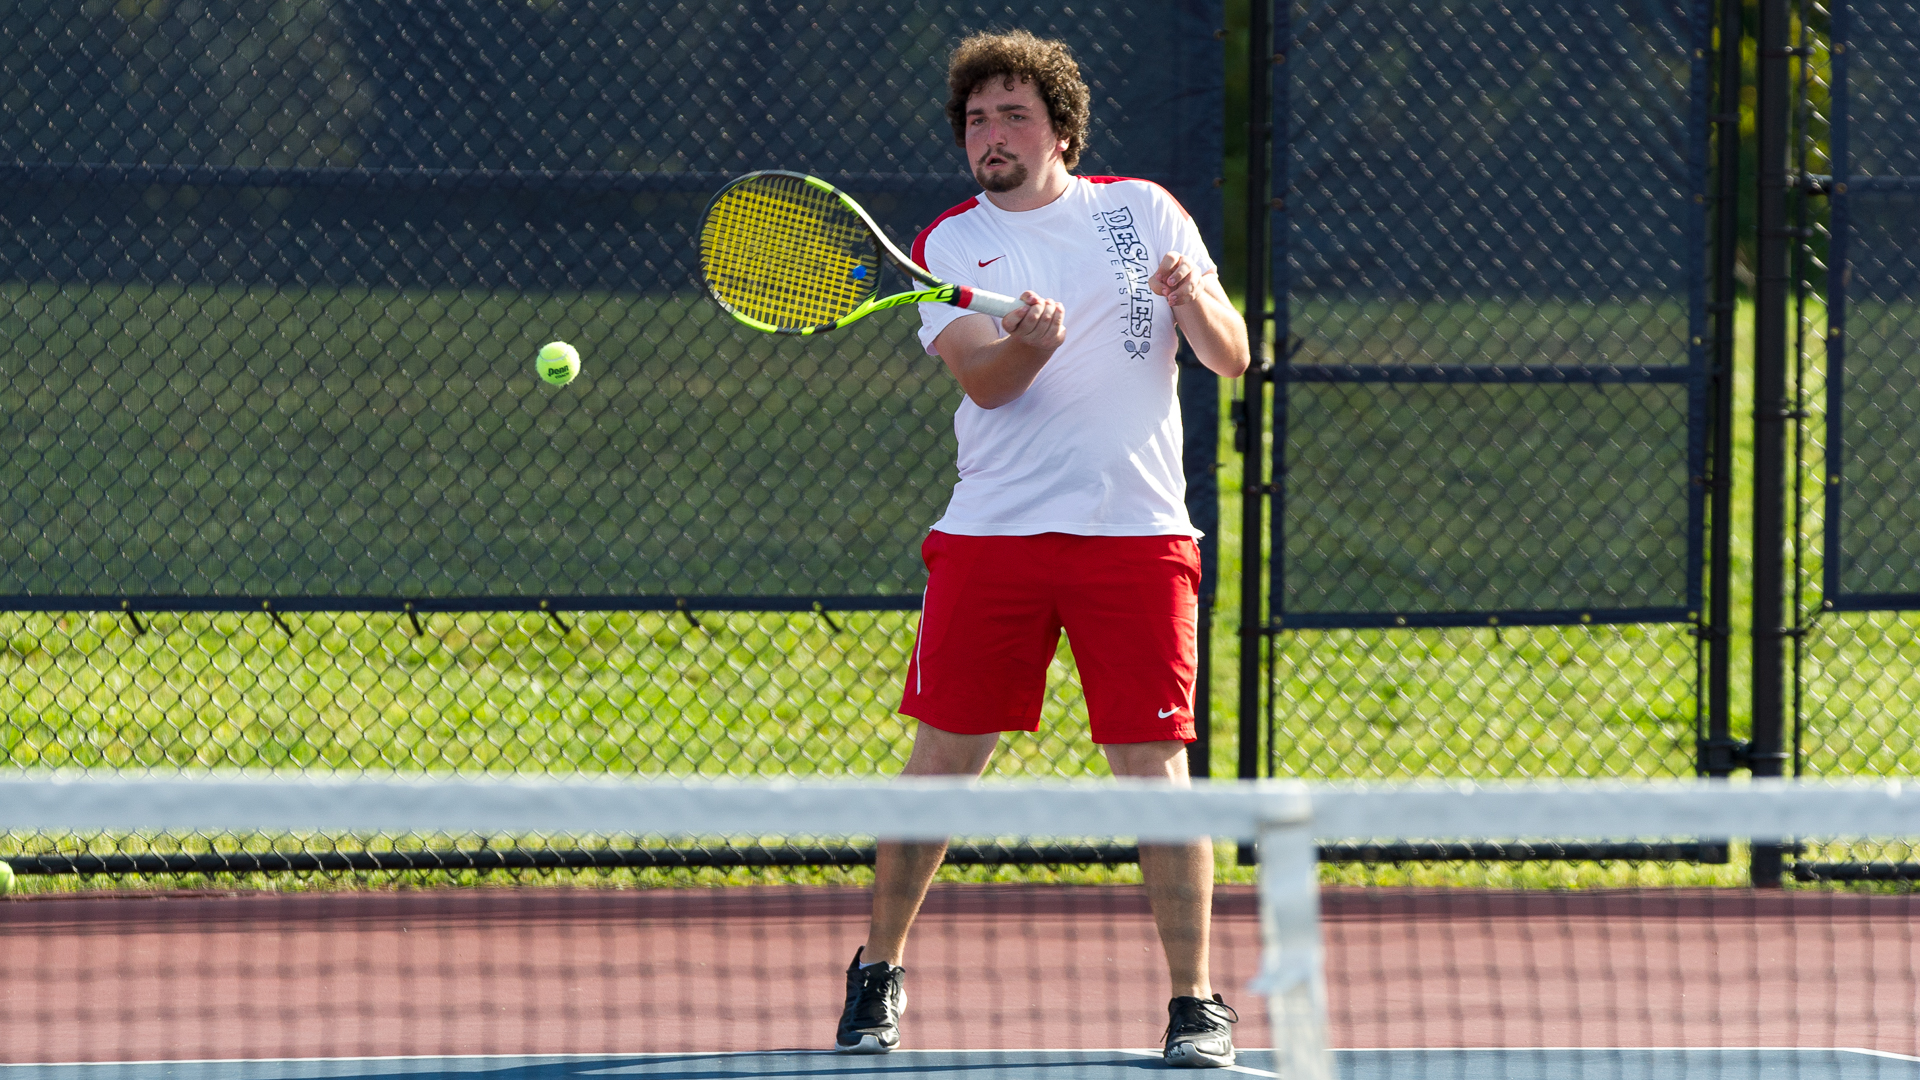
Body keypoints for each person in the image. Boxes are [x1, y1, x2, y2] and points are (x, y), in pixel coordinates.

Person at [831, 29, 1251, 1069]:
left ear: (1060, 130)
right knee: (941, 767)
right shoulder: (950, 246)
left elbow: (1233, 357)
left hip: (1139, 541)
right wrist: (1029, 341)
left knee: (1157, 771)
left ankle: (1194, 1002)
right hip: (993, 543)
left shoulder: (1143, 211)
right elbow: (985, 381)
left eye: (1013, 114)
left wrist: (1192, 296)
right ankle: (878, 969)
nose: (991, 134)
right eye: (976, 119)